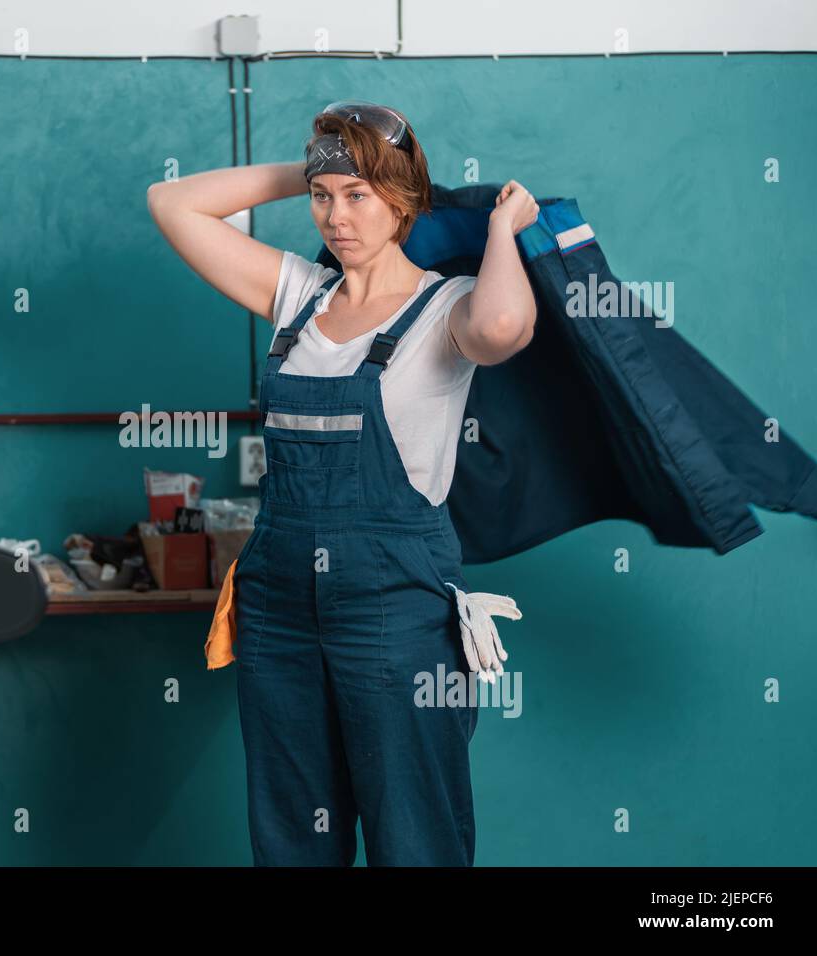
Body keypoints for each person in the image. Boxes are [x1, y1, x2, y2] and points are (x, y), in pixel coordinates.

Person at [147, 102, 538, 866]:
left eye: (358, 196)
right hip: (279, 608)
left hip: (395, 609)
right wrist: (320, 167)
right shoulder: (299, 296)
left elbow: (501, 330)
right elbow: (172, 203)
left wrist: (499, 232)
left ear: (404, 200)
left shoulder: (446, 309)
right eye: (325, 198)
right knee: (293, 839)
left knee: (415, 837)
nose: (335, 216)